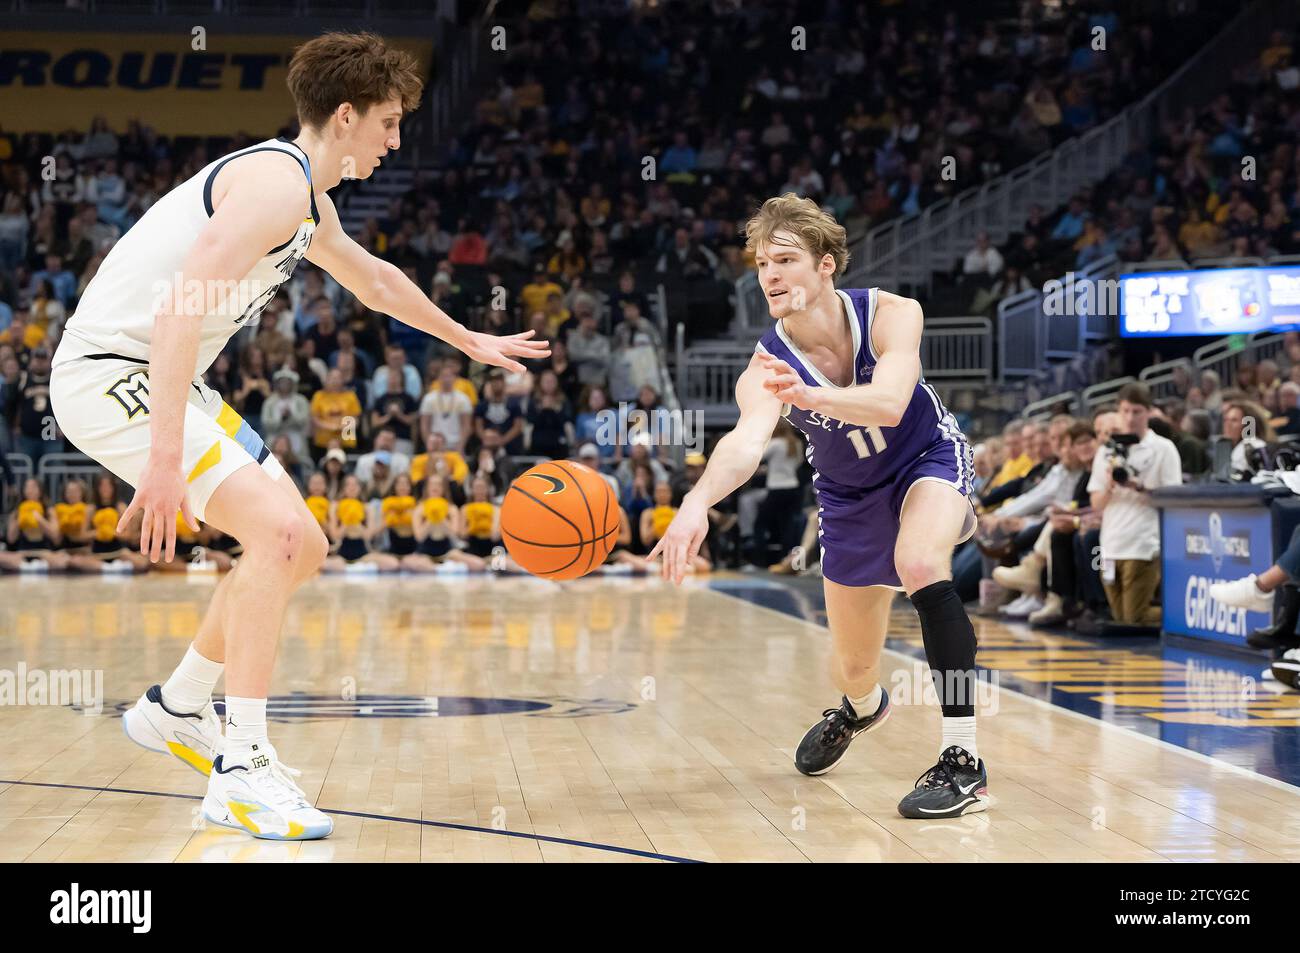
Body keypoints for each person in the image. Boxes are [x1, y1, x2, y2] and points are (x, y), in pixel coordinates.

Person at [47, 32, 547, 843]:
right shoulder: (275, 187)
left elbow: (375, 280)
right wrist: (165, 459)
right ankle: (240, 767)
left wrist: (469, 340)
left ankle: (177, 706)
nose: (394, 141)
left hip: (164, 375)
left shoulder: (306, 196)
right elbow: (177, 310)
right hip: (112, 373)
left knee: (302, 542)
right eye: (387, 124)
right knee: (275, 532)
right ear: (344, 116)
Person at [650, 193, 986, 818]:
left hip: (925, 460)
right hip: (848, 496)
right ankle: (861, 708)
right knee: (853, 666)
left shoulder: (892, 313)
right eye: (760, 264)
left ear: (827, 264)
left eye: (785, 259)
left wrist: (811, 396)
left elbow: (889, 402)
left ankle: (962, 760)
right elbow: (745, 442)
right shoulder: (763, 367)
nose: (770, 275)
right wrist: (696, 502)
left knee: (919, 563)